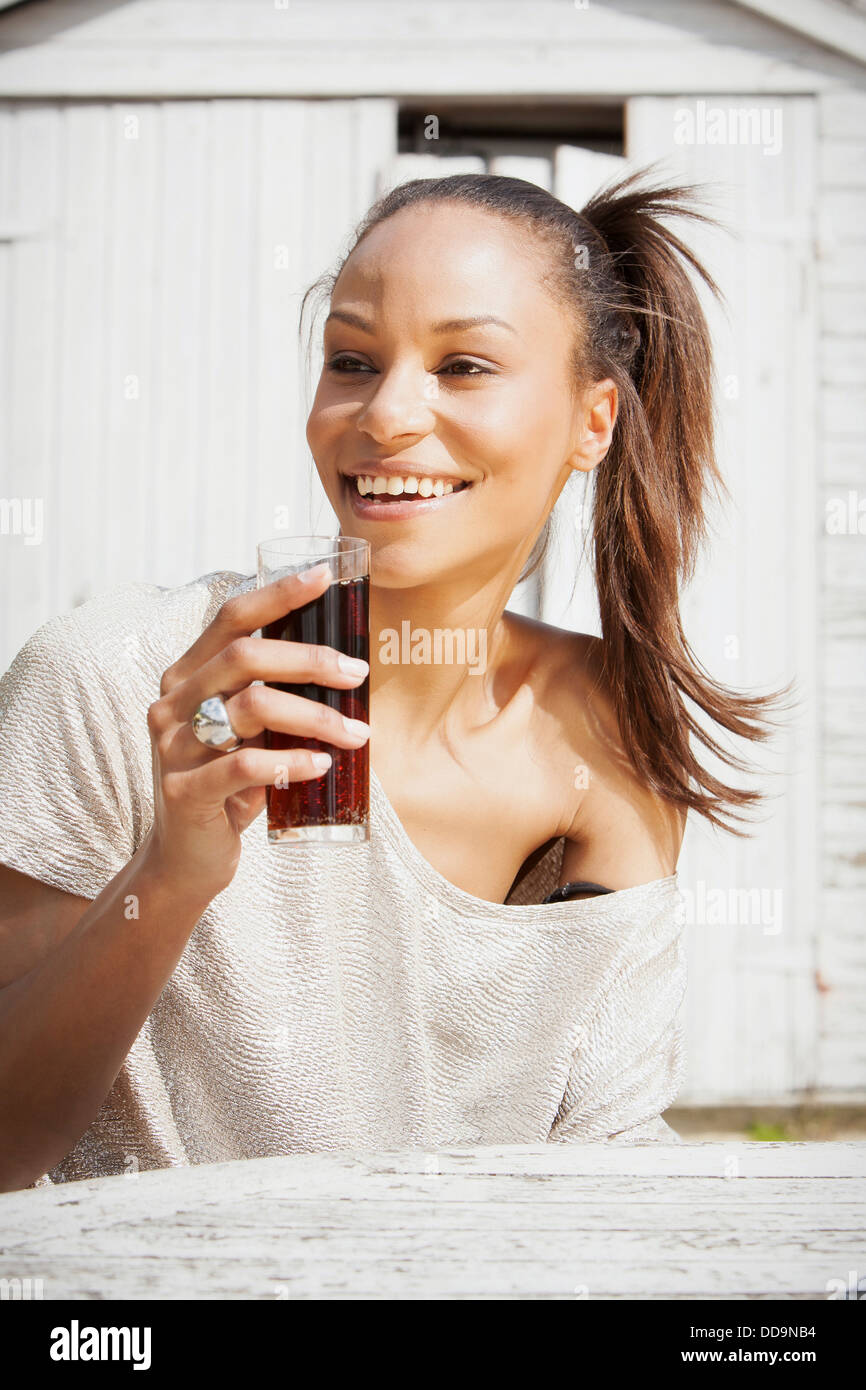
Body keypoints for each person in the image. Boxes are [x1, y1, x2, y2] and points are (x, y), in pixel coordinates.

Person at [0, 171, 783, 1192]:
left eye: (461, 364)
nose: (386, 413)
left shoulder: (612, 730)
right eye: (352, 360)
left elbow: (605, 1152)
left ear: (593, 422)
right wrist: (172, 874)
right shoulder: (114, 678)